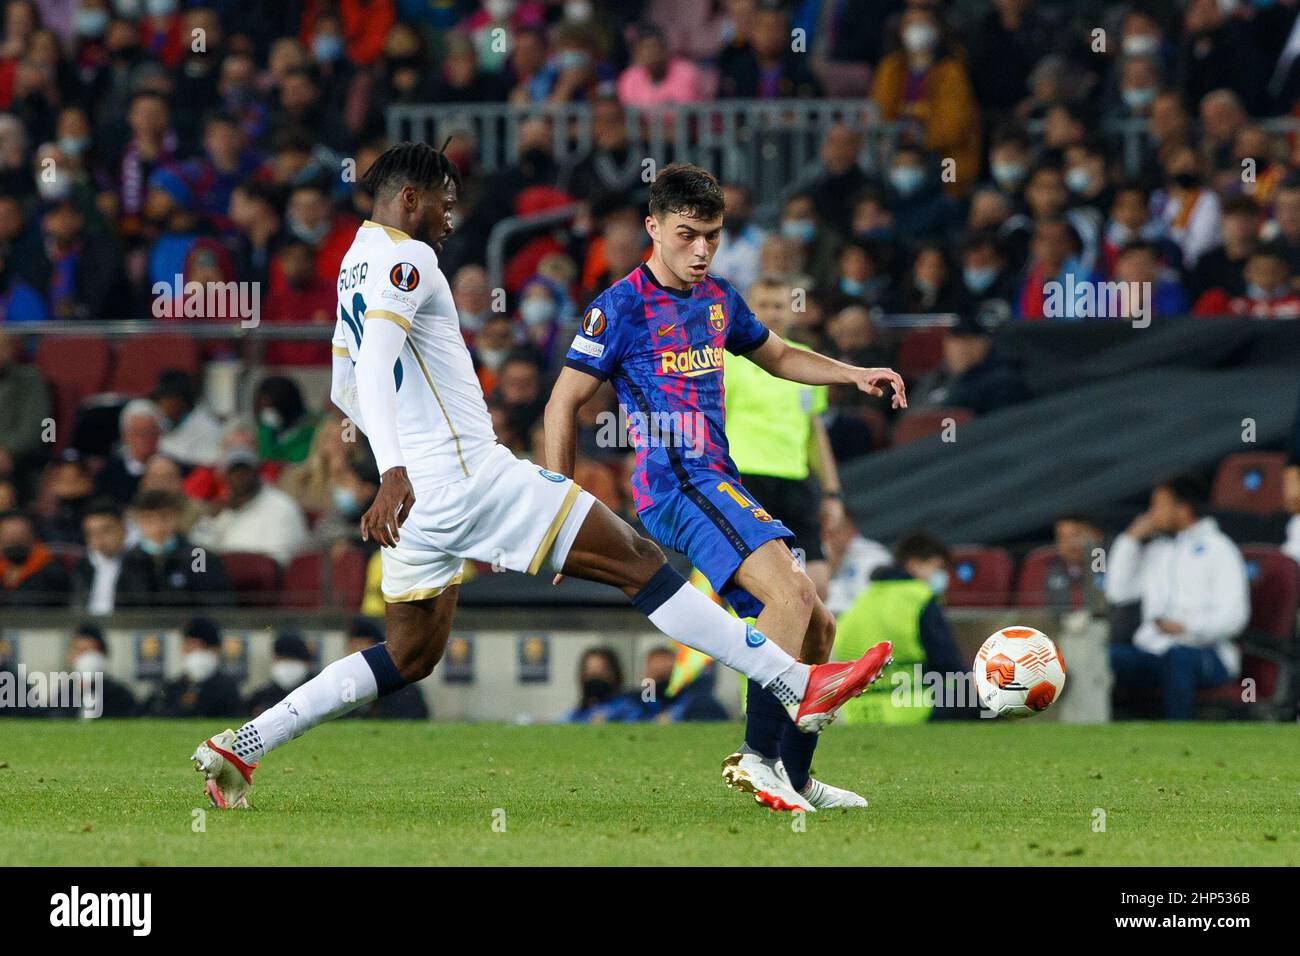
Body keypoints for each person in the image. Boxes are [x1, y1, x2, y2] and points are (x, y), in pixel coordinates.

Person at [193, 143, 890, 811]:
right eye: (444, 201)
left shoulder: (353, 263)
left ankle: (246, 742)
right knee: (643, 565)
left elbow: (347, 387)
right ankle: (795, 679)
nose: (451, 216)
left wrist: (397, 459)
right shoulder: (409, 262)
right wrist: (397, 467)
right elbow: (374, 365)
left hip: (422, 502)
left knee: (408, 653)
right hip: (465, 477)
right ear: (410, 198)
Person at [546, 163, 906, 812]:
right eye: (687, 235)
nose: (702, 250)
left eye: (712, 235)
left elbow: (779, 356)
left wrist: (852, 374)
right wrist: (559, 508)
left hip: (718, 481)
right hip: (677, 485)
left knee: (816, 628)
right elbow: (560, 403)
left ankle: (794, 778)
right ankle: (757, 759)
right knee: (794, 596)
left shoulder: (718, 298)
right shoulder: (620, 308)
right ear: (653, 228)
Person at [1104, 474, 1249, 719]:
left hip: (1207, 653)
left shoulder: (1220, 549)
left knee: (1178, 658)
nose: (1151, 514)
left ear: (1183, 509)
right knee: (1105, 657)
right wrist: (1129, 539)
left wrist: (1186, 628)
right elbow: (1117, 593)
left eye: (1158, 506)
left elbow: (1235, 616)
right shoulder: (1156, 551)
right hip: (1153, 652)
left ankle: (1179, 736)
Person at [832, 532, 971, 725]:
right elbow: (947, 662)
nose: (942, 577)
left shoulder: (861, 602)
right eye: (938, 567)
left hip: (858, 711)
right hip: (912, 706)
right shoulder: (919, 597)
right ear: (914, 564)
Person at [145, 616, 244, 719]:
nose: (196, 653)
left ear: (216, 650)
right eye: (190, 647)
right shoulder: (170, 688)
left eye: (202, 647)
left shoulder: (228, 690)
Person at [340, 617, 430, 720]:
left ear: (379, 654)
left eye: (361, 648)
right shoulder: (341, 689)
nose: (354, 657)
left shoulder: (406, 691)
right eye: (352, 647)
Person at [59, 622, 137, 719]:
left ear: (102, 656)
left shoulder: (120, 696)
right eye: (80, 651)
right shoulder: (63, 696)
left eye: (90, 652)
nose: (85, 658)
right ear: (70, 655)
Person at [247, 633, 314, 717]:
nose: (288, 664)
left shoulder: (320, 694)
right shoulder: (259, 698)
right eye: (283, 659)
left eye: (293, 659)